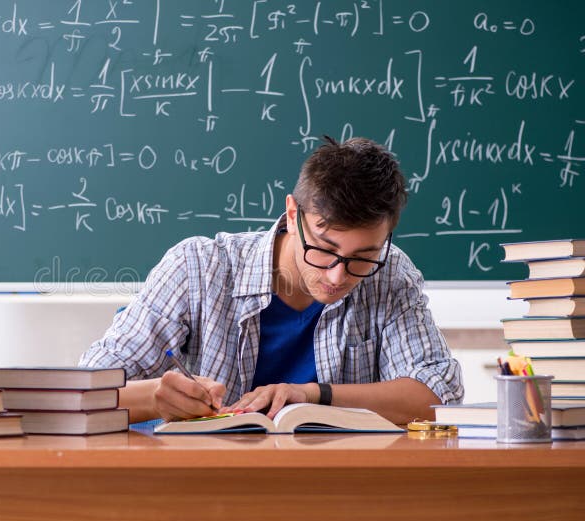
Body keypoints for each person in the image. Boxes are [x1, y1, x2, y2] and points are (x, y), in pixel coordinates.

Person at [80, 136, 463, 423]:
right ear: (292, 214)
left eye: (363, 258)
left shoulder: (391, 273)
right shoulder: (197, 267)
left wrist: (313, 395)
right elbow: (80, 394)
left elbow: (437, 396)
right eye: (325, 249)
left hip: (338, 494)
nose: (337, 276)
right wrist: (154, 397)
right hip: (201, 491)